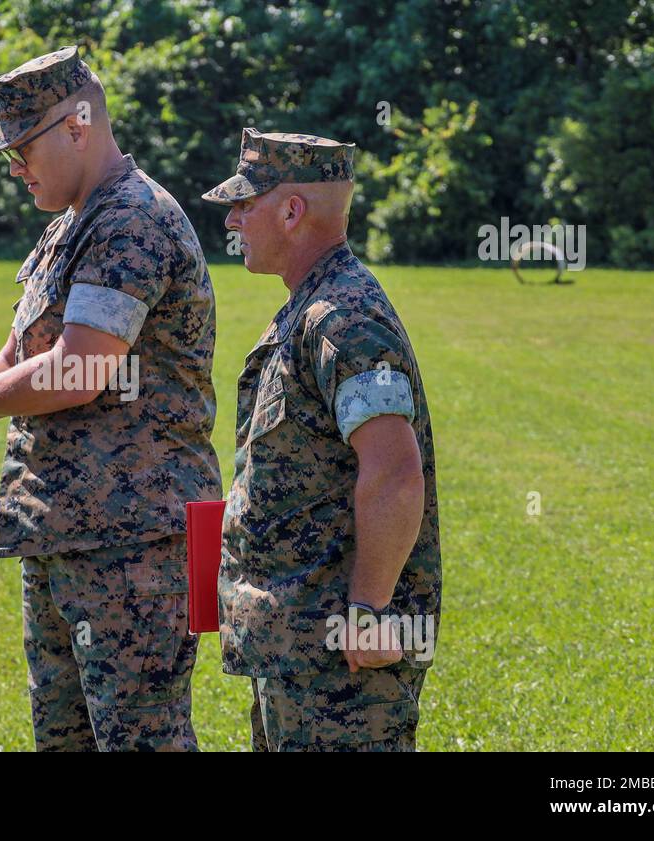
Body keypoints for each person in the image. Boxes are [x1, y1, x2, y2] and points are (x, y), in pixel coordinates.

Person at [0, 47, 220, 751]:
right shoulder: (71, 224)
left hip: (135, 541)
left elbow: (78, 369)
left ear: (77, 126)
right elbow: (19, 357)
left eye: (22, 148)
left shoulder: (131, 220)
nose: (14, 166)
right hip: (68, 532)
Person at [202, 128, 442, 751]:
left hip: (338, 654)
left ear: (291, 210)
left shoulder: (344, 318)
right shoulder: (311, 306)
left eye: (244, 204)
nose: (232, 220)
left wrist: (369, 610)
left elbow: (395, 471)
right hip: (299, 643)